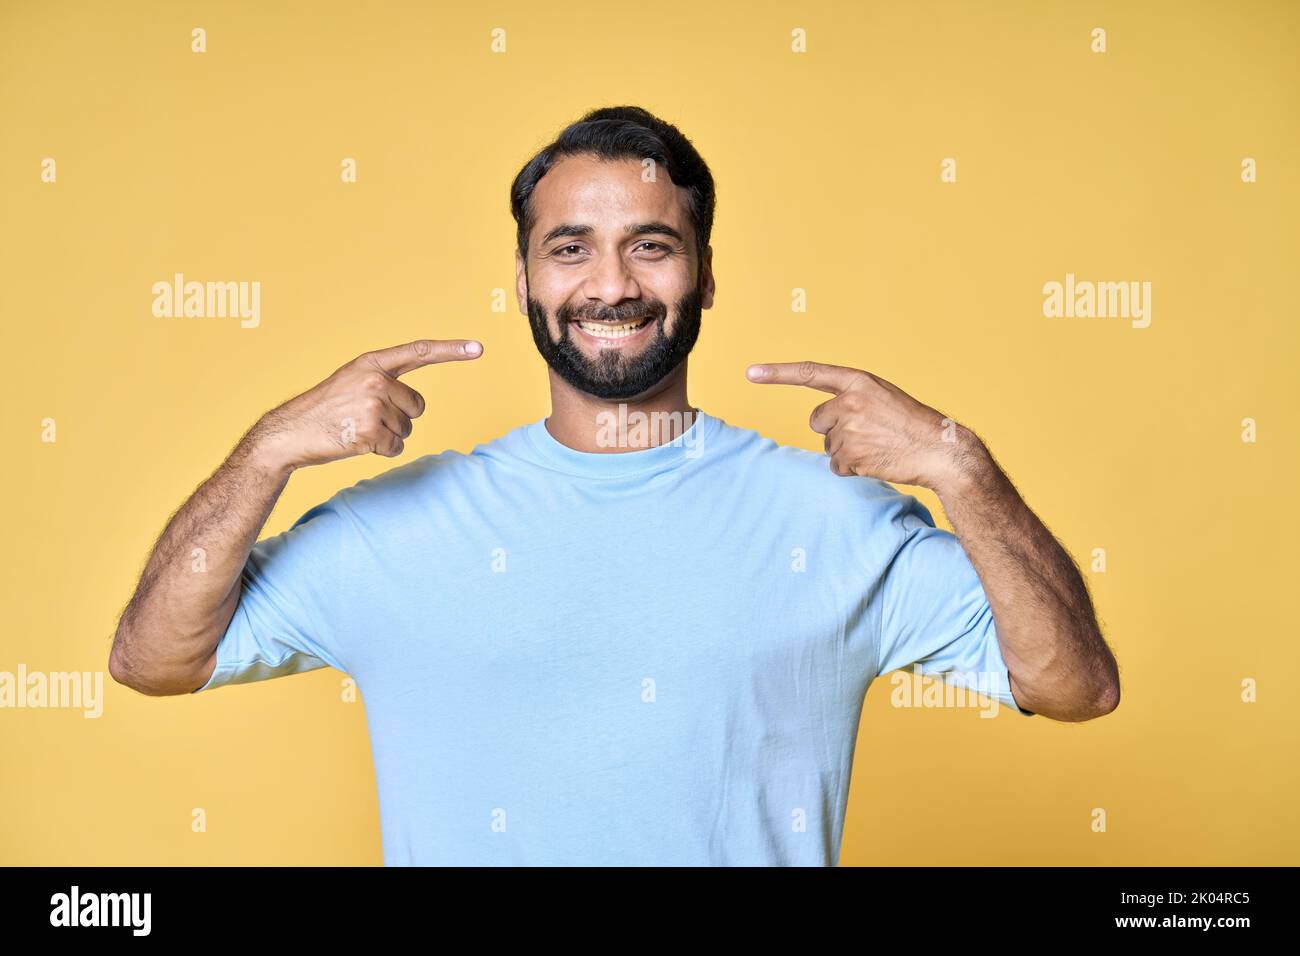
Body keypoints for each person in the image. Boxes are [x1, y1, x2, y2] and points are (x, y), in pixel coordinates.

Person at [109, 105, 1120, 866]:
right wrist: (266, 450)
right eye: (569, 248)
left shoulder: (834, 521)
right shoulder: (398, 527)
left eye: (650, 244)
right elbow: (154, 656)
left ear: (705, 272)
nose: (611, 284)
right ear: (521, 281)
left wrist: (961, 466)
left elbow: (1074, 685)